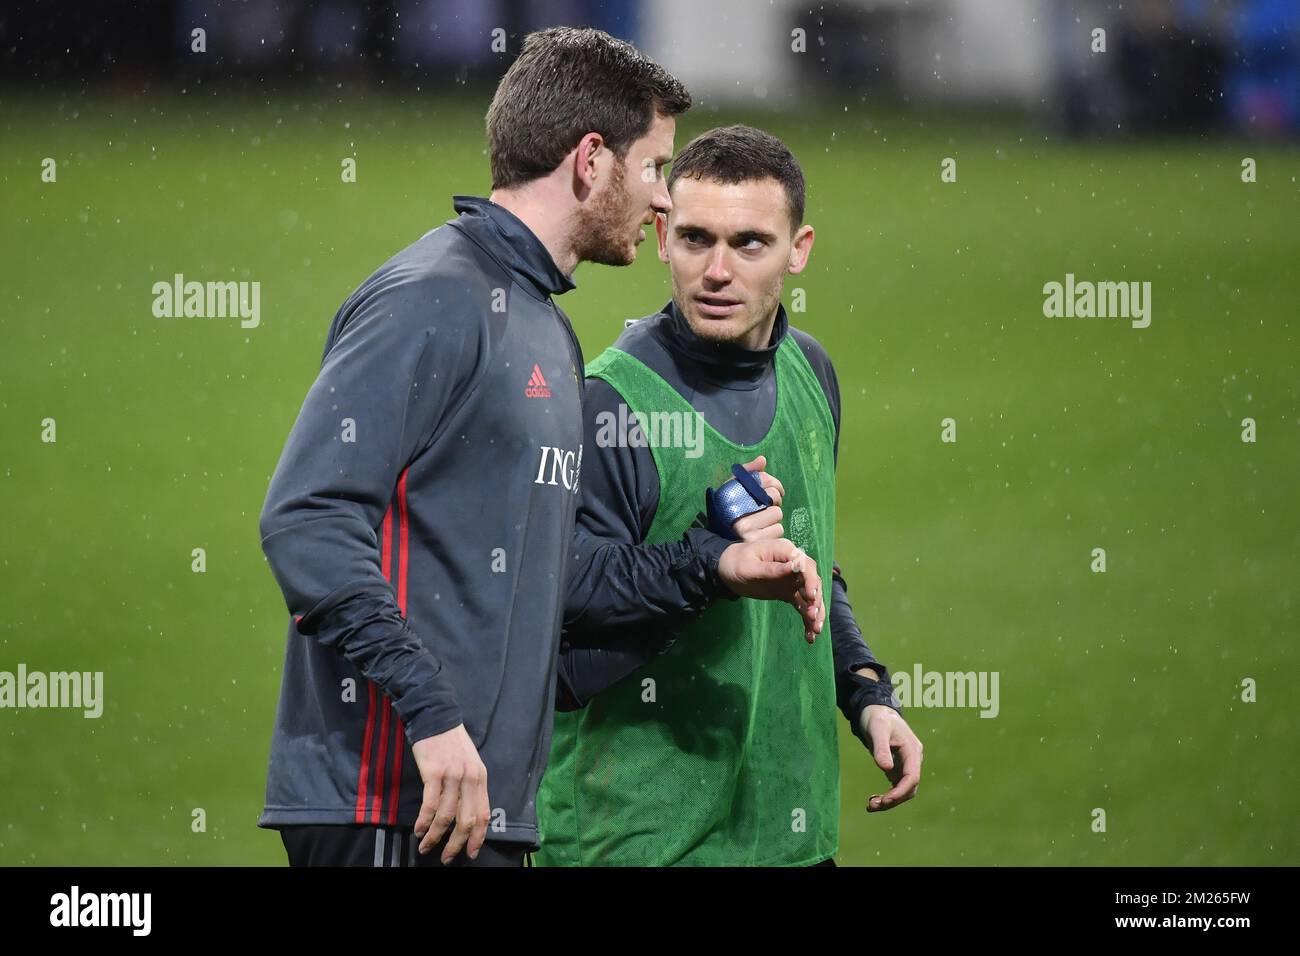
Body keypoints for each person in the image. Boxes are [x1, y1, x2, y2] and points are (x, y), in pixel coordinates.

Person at [257, 31, 823, 868]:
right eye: (655, 169)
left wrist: (705, 562)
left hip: (482, 809)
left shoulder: (544, 328)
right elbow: (306, 518)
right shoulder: (432, 298)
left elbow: (549, 593)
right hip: (395, 799)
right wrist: (433, 715)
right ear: (591, 160)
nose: (663, 203)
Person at [541, 125, 924, 866]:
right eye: (694, 239)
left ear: (799, 249)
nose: (717, 270)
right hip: (638, 842)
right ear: (661, 236)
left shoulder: (812, 374)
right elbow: (562, 603)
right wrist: (710, 561)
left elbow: (806, 562)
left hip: (790, 832)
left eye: (749, 243)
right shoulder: (609, 407)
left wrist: (866, 692)